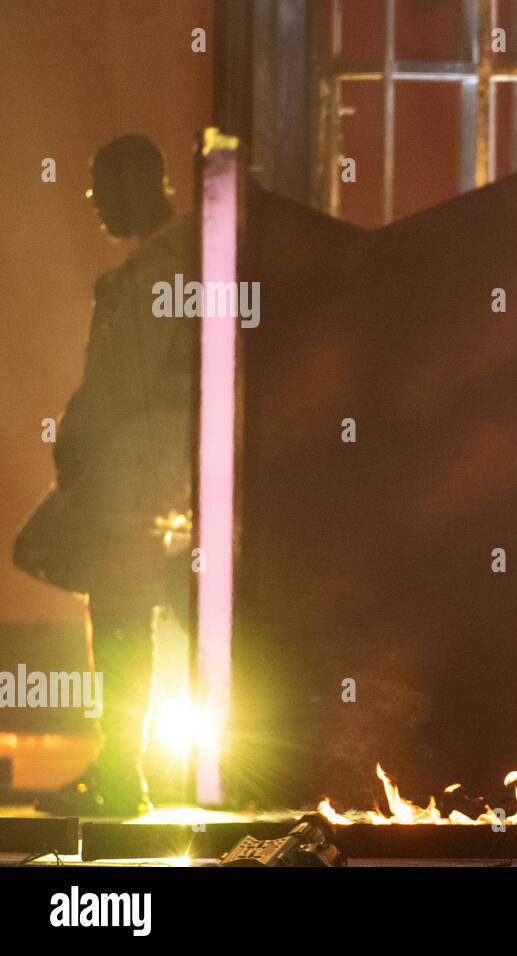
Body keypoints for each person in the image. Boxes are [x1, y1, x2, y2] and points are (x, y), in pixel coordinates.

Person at [13, 134, 196, 817]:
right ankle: (126, 769)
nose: (93, 206)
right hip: (164, 471)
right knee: (143, 611)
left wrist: (78, 434)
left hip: (141, 472)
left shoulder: (155, 271)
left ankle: (124, 773)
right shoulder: (176, 261)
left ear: (137, 186)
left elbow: (122, 379)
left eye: (100, 189)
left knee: (121, 613)